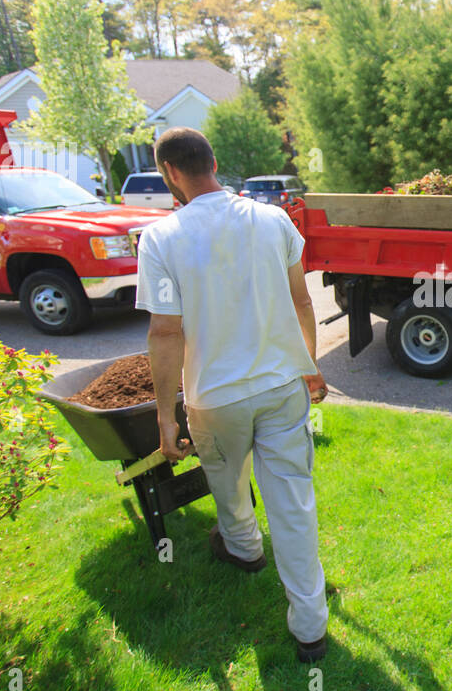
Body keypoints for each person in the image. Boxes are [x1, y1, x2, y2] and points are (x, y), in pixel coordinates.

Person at [135, 127, 330, 663]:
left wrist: (165, 418)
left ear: (170, 173)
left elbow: (166, 332)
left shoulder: (159, 238)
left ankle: (244, 550)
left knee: (228, 483)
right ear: (214, 161)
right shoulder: (272, 219)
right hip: (280, 386)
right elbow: (301, 302)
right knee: (293, 501)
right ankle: (309, 627)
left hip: (214, 399)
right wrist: (309, 368)